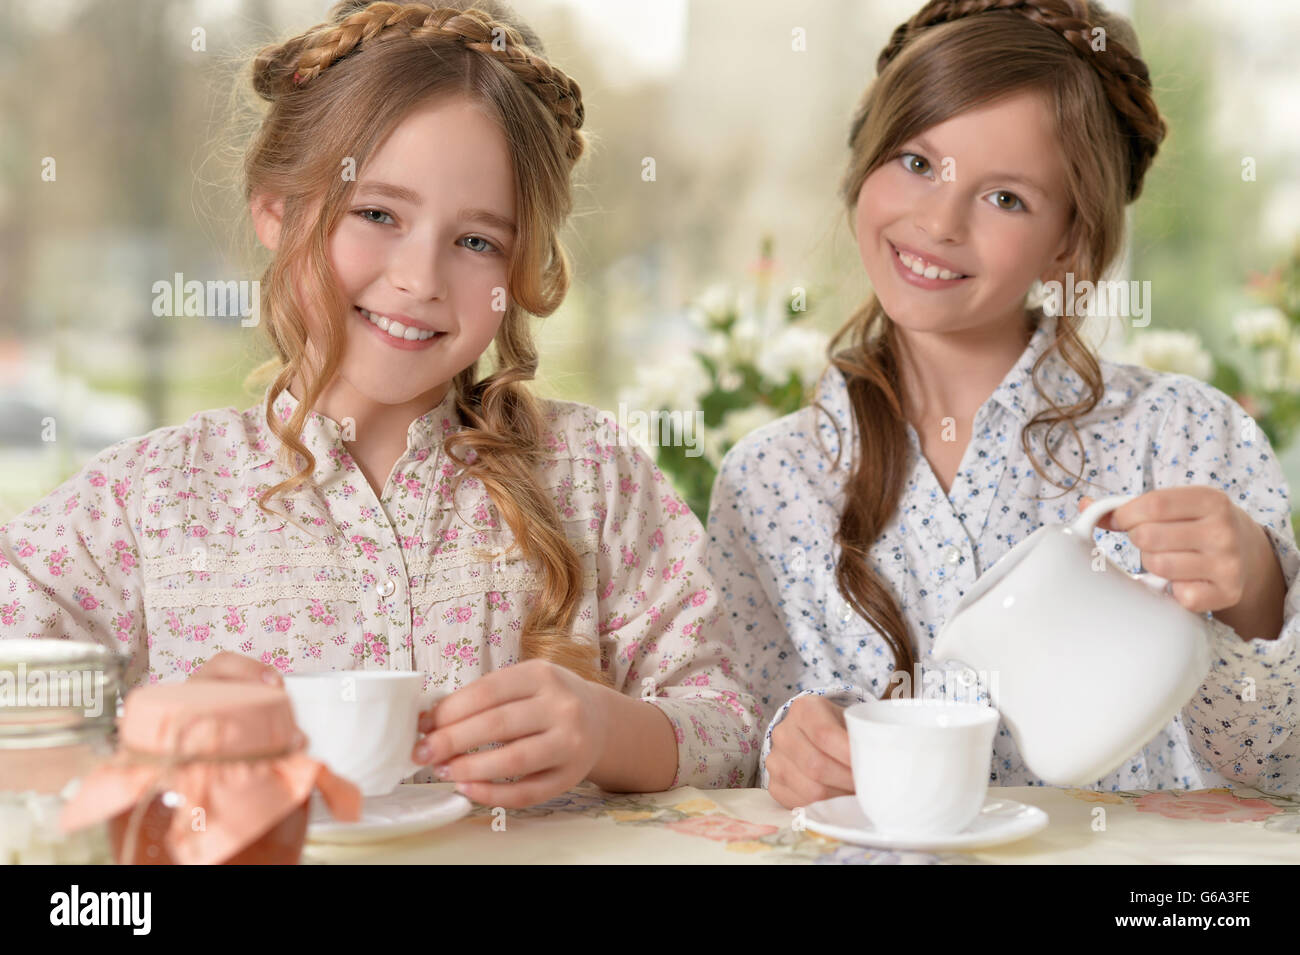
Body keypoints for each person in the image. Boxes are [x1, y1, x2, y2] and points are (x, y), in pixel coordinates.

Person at [0, 0, 761, 808]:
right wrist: (145, 727)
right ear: (277, 208)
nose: (420, 278)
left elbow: (734, 729)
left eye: (477, 241)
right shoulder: (145, 501)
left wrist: (609, 732)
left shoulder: (593, 476)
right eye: (376, 214)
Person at [707, 0, 1299, 809]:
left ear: (1069, 237)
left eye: (1006, 199)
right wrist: (783, 742)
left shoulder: (1186, 433)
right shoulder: (766, 480)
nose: (939, 221)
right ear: (864, 161)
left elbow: (1277, 767)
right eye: (917, 162)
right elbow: (727, 738)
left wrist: (1255, 587)